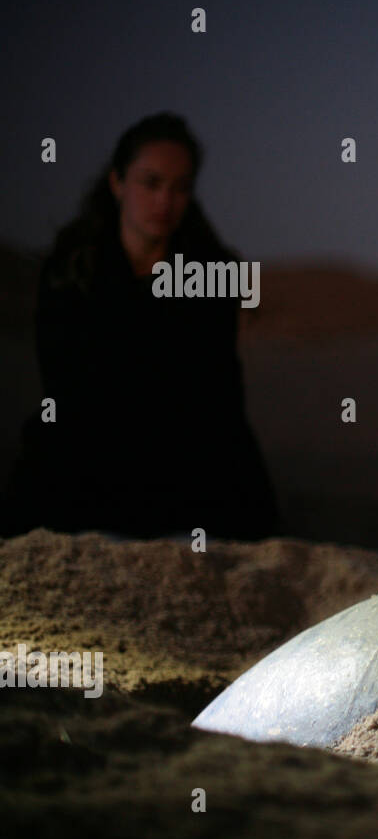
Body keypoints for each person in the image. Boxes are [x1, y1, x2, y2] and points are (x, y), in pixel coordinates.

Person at [0, 112, 280, 540]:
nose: (164, 202)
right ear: (117, 182)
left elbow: (215, 395)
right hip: (90, 453)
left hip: (184, 460)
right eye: (150, 183)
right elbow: (67, 385)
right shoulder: (73, 269)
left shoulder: (207, 275)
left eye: (179, 188)